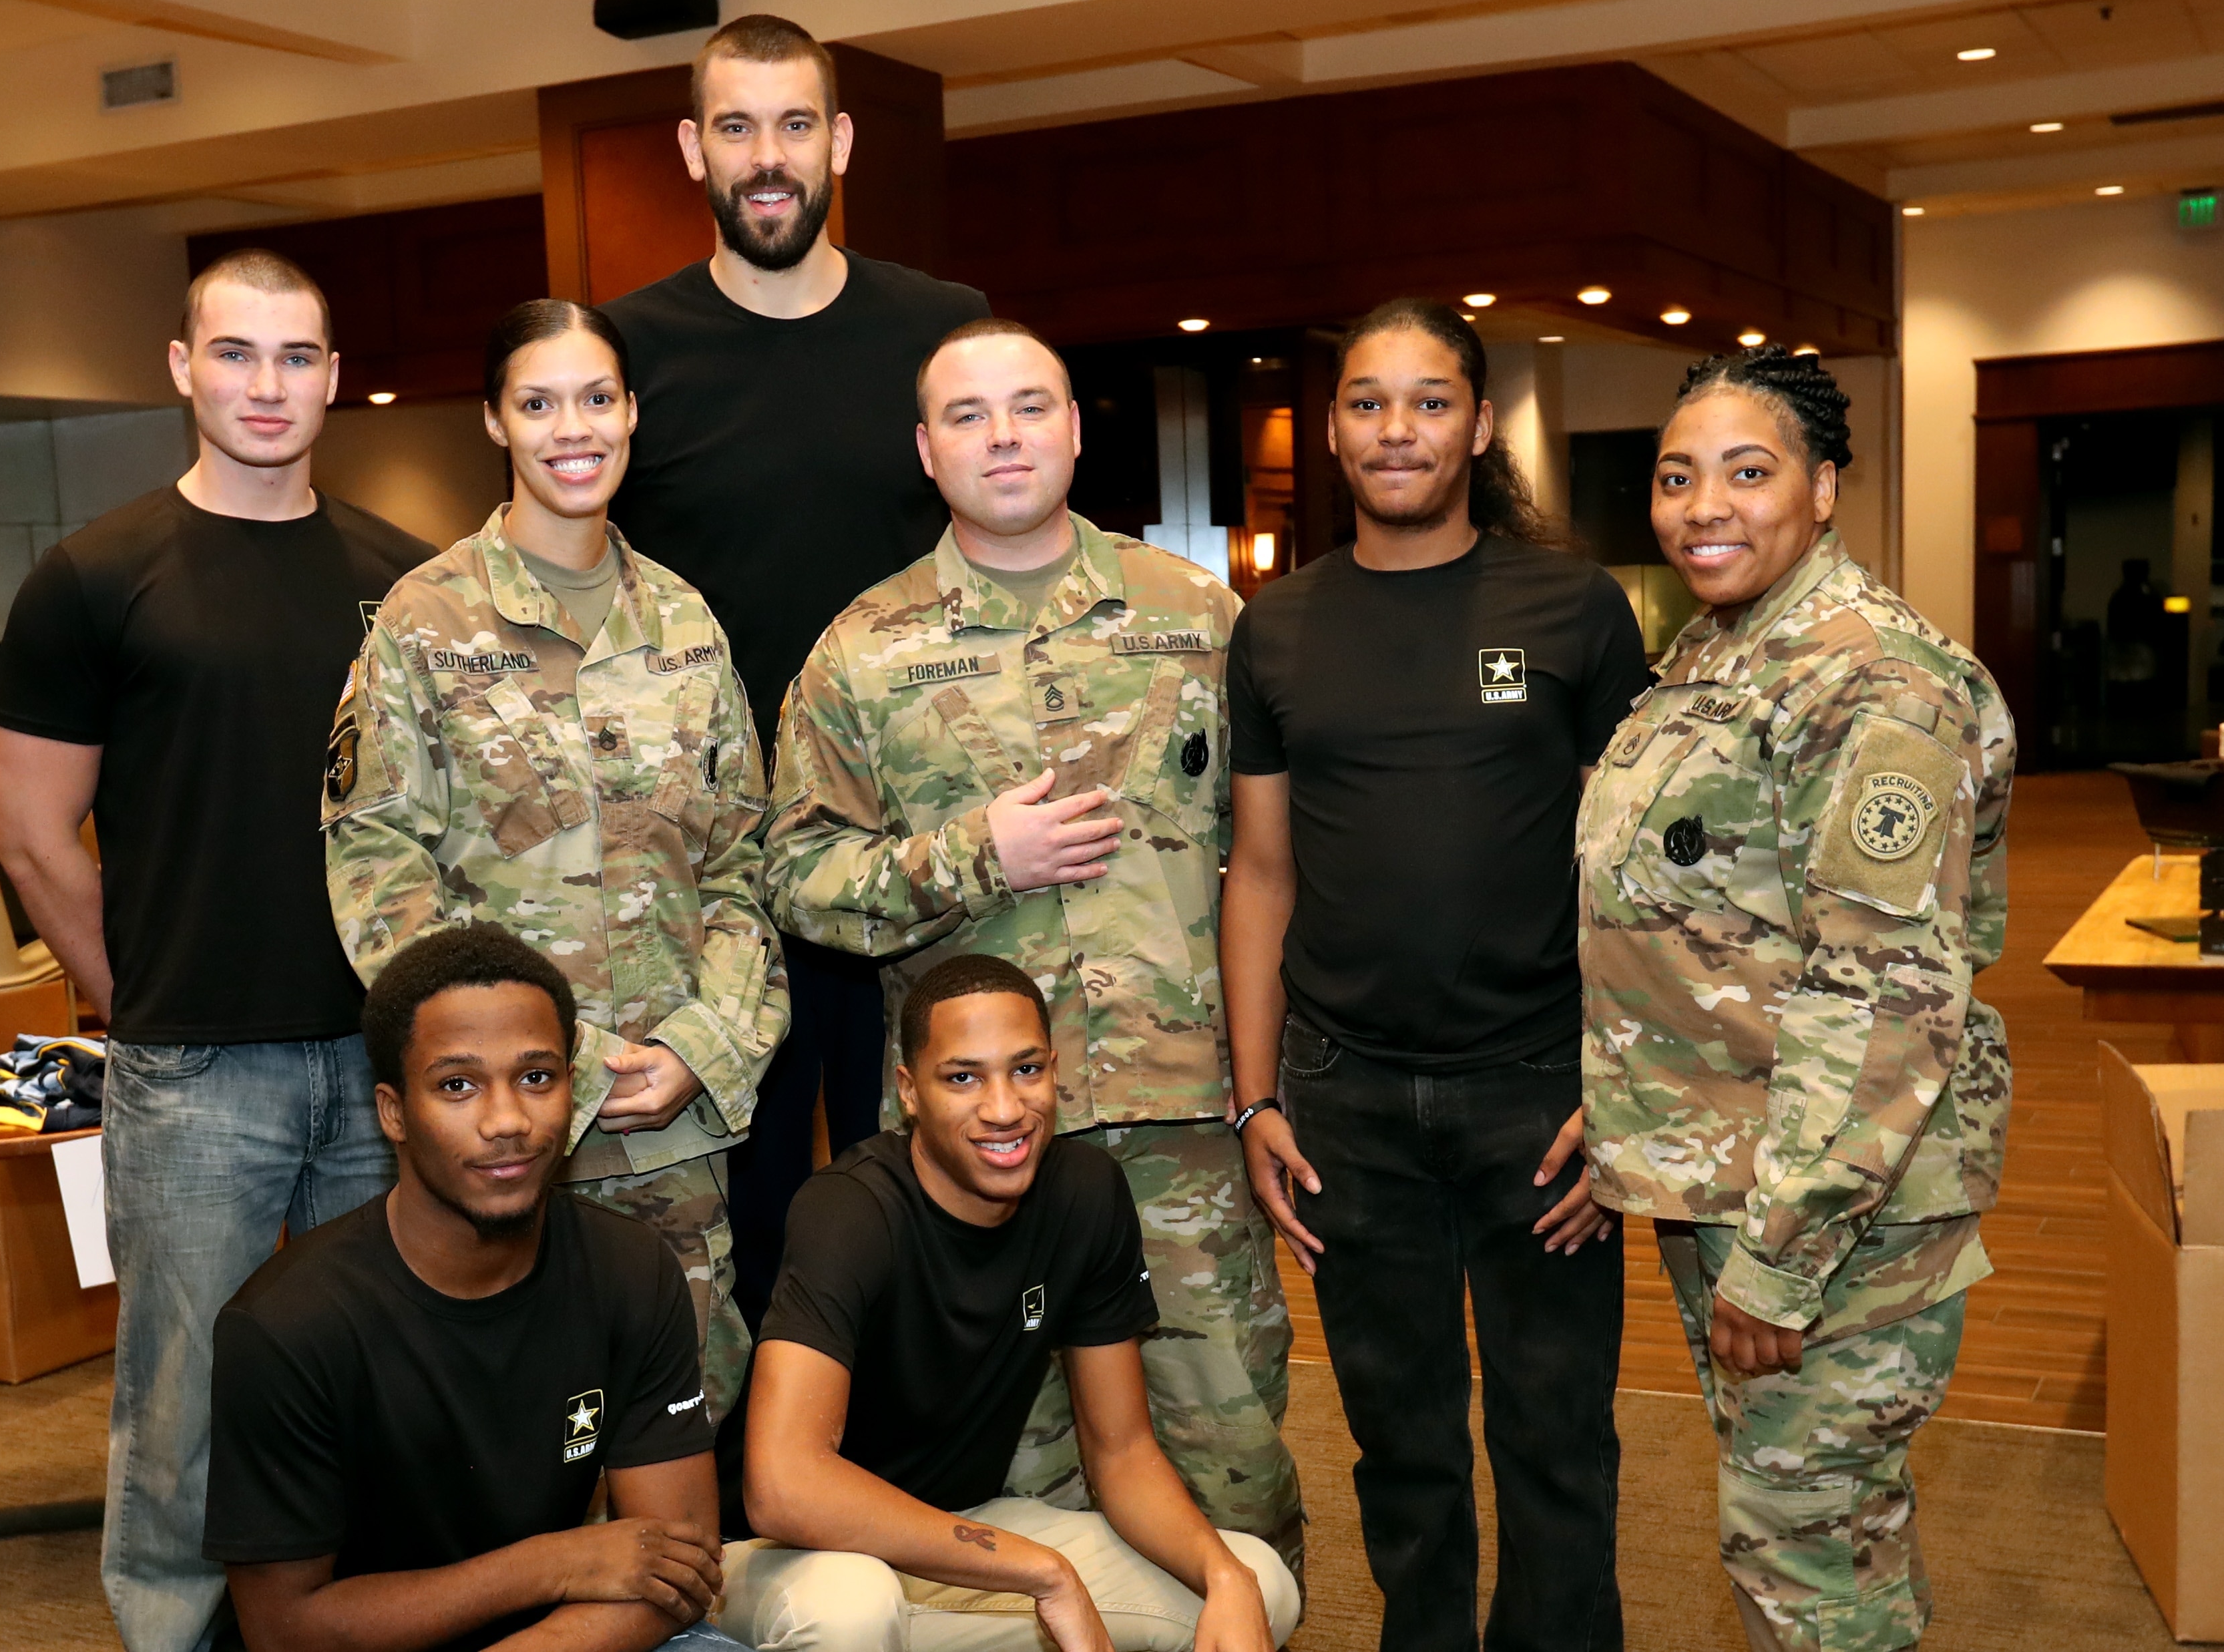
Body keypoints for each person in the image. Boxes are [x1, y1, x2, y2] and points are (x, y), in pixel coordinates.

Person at [762, 319, 1303, 1575]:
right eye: (966, 415)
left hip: (1181, 1134)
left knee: (1234, 1476)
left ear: (1071, 428)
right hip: (978, 1166)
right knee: (1007, 1503)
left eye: (1026, 408)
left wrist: (1278, 1079)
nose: (1000, 436)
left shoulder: (1199, 620)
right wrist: (970, 859)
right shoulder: (862, 651)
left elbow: (1278, 866)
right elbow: (791, 874)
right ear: (925, 450)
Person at [0, 248, 434, 1652]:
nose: (266, 384)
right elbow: (34, 833)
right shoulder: (90, 576)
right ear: (182, 367)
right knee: (182, 1396)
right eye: (235, 354)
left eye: (296, 358)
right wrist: (141, 1000)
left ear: (333, 380)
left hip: (381, 1062)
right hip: (192, 1073)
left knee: (391, 1370)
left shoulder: (405, 582)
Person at [1223, 298, 1647, 1651]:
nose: (1393, 428)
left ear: (1474, 423)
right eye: (1364, 401)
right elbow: (1260, 872)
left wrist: (1623, 1092)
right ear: (1331, 431)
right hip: (1349, 1104)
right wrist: (1251, 1101)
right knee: (1400, 1453)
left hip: (1542, 1098)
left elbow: (1626, 875)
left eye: (1424, 400)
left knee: (1553, 1443)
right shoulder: (1274, 627)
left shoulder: (1573, 606)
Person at [1578, 348, 2013, 1652]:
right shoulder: (1717, 656)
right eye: (1674, 476)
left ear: (1822, 488)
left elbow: (1880, 995)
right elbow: (1670, 920)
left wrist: (1779, 1261)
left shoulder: (1874, 683)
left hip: (1832, 1212)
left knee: (1809, 1563)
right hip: (1726, 1167)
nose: (1701, 504)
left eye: (1745, 472)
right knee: (1806, 1542)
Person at [323, 298, 787, 1420]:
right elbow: (379, 867)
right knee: (504, 1423)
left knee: (686, 1420)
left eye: (595, 399)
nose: (570, 429)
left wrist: (700, 1043)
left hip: (669, 1125)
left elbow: (743, 867)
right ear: (494, 421)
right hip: (502, 1128)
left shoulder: (684, 621)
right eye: (537, 403)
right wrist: (545, 1062)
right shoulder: (425, 624)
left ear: (631, 413)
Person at [604, 13, 989, 1328]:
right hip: (715, 870)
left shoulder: (941, 335)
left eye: (789, 125)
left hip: (914, 851)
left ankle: (925, 1480)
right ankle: (748, 1491)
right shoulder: (628, 355)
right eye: (732, 127)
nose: (763, 158)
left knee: (939, 1177)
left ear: (836, 142)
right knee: (740, 1205)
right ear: (690, 149)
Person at [718, 952, 1300, 1652]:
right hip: (791, 1559)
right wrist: (1040, 1570)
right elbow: (783, 1485)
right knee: (851, 1609)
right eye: (962, 1076)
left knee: (1259, 1582)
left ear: (1056, 1069)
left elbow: (1121, 1451)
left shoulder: (1085, 1191)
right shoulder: (851, 1210)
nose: (1004, 1108)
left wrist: (1222, 1576)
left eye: (1025, 1069)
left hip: (963, 1533)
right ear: (908, 1090)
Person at [206, 922, 744, 1652]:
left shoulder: (630, 1266)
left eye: (537, 1077)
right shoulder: (286, 1325)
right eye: (457, 1085)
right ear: (393, 1111)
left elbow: (677, 1569)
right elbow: (285, 1628)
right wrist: (548, 1564)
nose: (507, 1121)